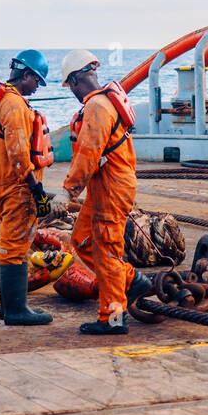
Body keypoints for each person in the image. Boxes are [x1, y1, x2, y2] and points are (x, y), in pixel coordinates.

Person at [60, 49, 152, 334]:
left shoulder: (98, 107)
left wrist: (68, 193)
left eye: (70, 85)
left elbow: (88, 154)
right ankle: (130, 279)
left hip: (112, 190)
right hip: (105, 188)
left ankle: (112, 319)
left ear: (76, 79)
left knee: (108, 253)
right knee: (82, 240)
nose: (72, 91)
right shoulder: (101, 103)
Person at [0, 49, 55, 325]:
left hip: (2, 186)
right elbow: (19, 155)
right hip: (18, 190)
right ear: (26, 75)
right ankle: (16, 311)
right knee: (15, 248)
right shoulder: (13, 106)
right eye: (36, 81)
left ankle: (8, 308)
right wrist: (37, 190)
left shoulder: (0, 100)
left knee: (7, 246)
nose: (36, 88)